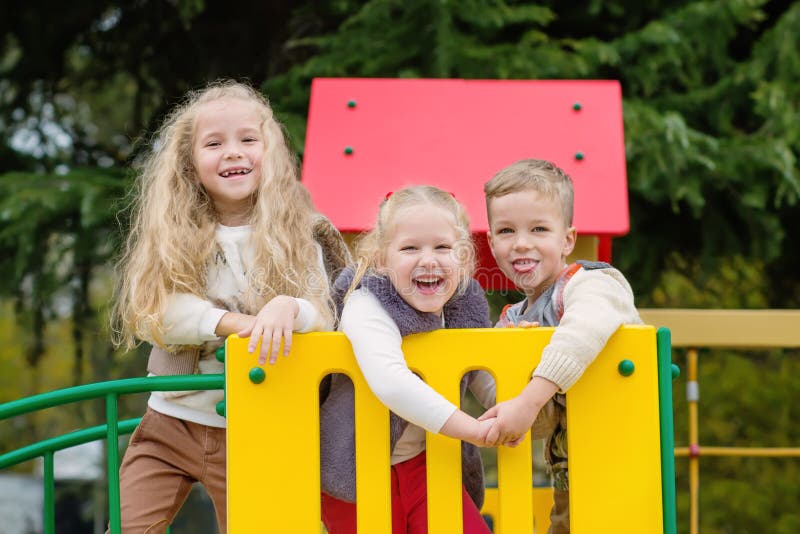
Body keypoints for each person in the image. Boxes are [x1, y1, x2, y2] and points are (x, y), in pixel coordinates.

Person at [110, 80, 350, 533]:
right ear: (189, 162)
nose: (233, 152)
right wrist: (231, 322)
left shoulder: (297, 231)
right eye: (214, 143)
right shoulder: (175, 233)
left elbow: (323, 310)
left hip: (253, 427)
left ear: (270, 152)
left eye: (248, 140)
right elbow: (155, 310)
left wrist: (288, 307)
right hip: (172, 421)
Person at [478, 158, 642, 534]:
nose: (522, 243)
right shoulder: (513, 320)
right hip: (569, 479)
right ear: (491, 242)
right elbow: (511, 407)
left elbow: (581, 332)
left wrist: (529, 397)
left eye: (539, 229)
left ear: (567, 239)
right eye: (506, 230)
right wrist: (511, 382)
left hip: (623, 466)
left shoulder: (591, 284)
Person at [319, 186, 496, 534]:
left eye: (442, 247)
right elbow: (390, 381)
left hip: (425, 463)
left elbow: (483, 374)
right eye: (410, 248)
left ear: (462, 258)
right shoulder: (367, 301)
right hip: (356, 469)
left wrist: (513, 409)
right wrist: (473, 429)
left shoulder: (462, 307)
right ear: (382, 260)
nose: (428, 260)